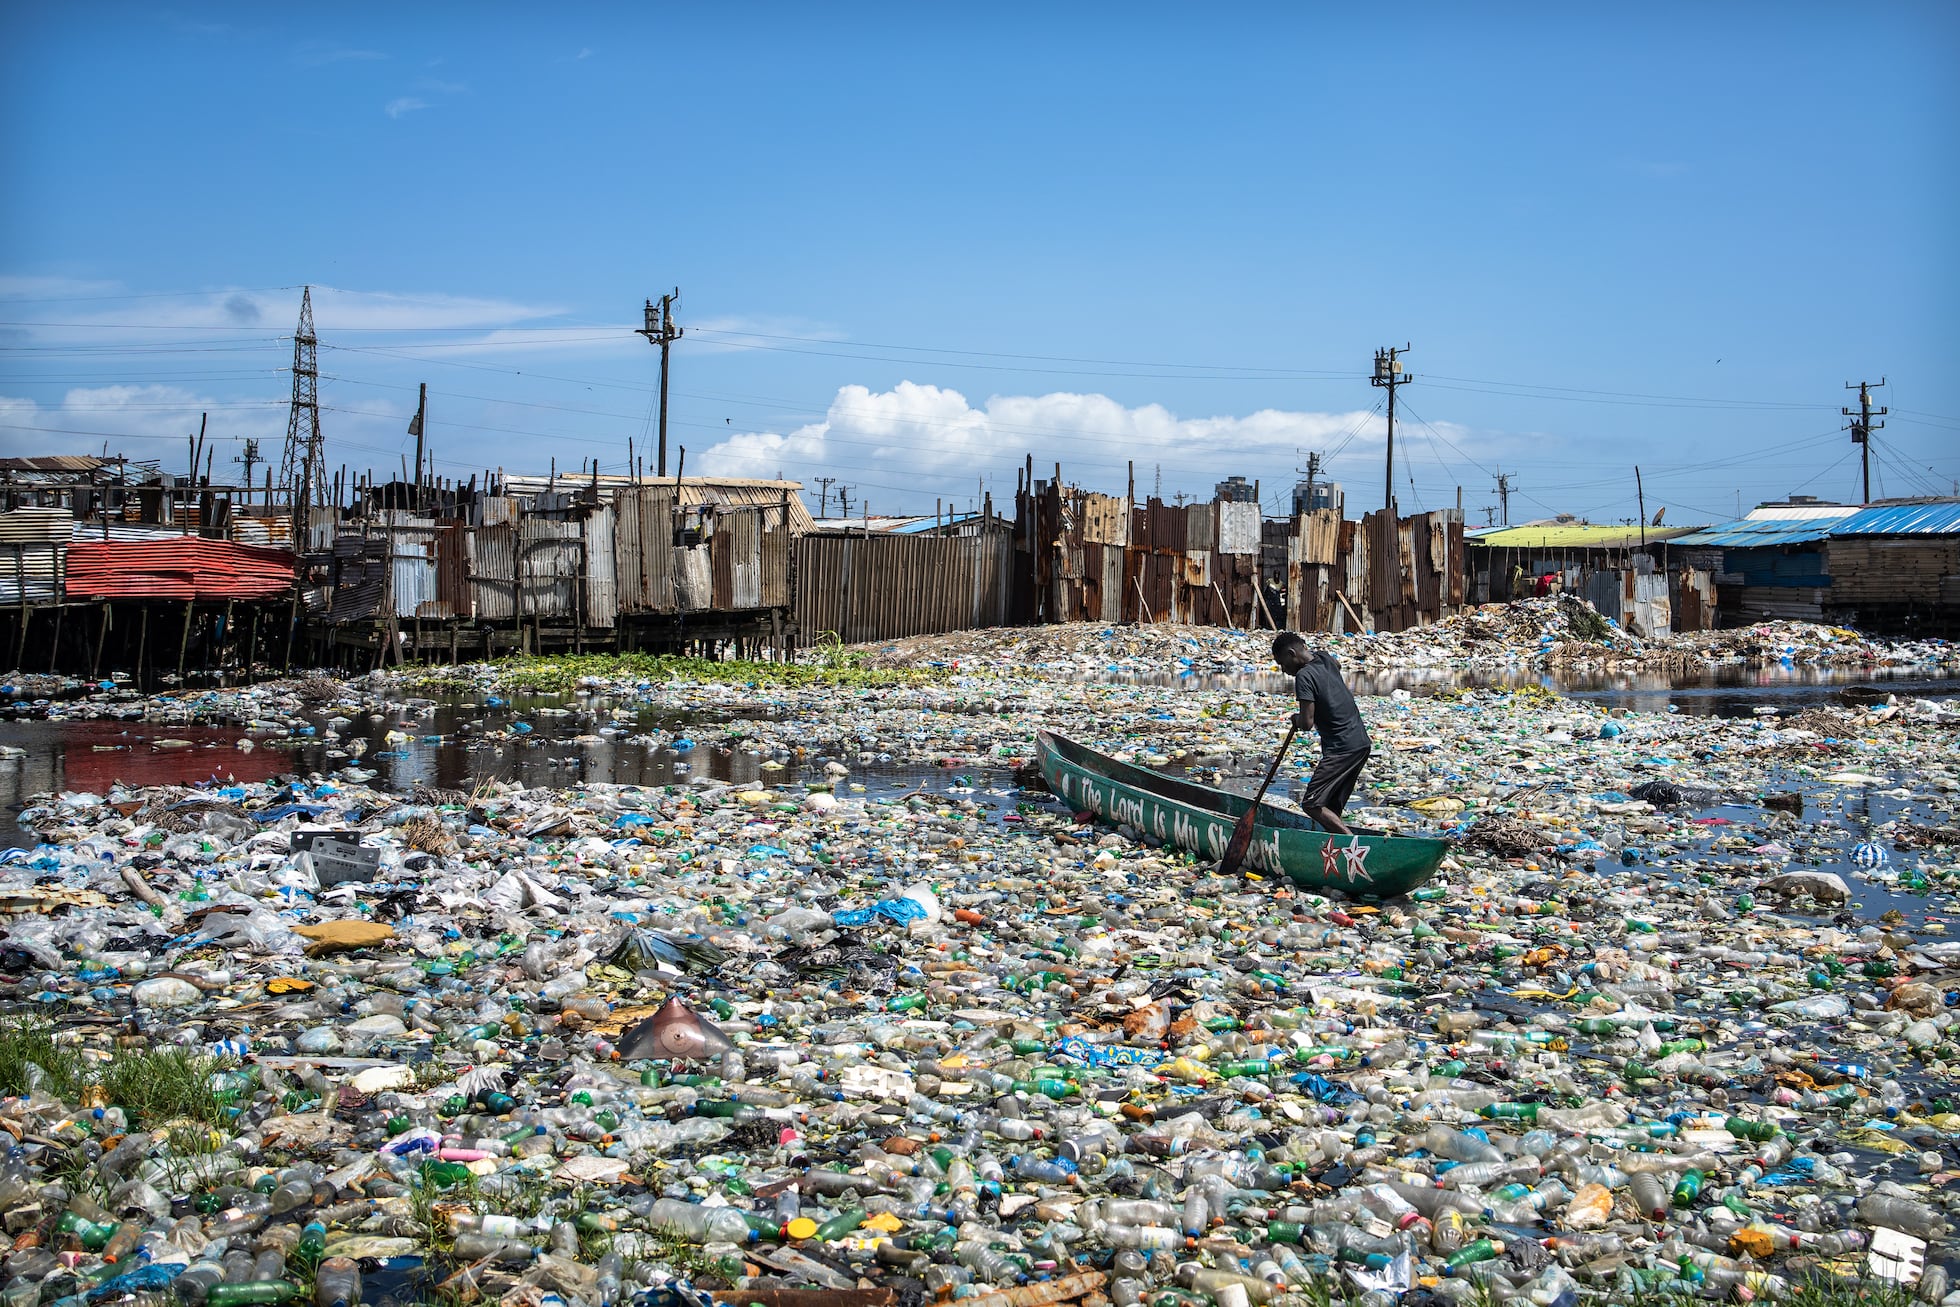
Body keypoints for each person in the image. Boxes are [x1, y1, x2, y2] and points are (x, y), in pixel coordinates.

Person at [1270, 632, 1372, 835]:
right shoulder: (1325, 658)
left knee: (1311, 804)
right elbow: (1337, 664)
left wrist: (1295, 718)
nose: (1283, 670)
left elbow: (1307, 723)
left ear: (1292, 654)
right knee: (1332, 806)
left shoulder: (1304, 676)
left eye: (1283, 663)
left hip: (1341, 748)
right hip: (1360, 743)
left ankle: (1352, 843)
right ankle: (1332, 849)